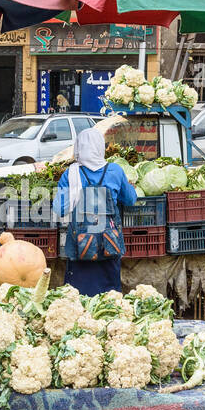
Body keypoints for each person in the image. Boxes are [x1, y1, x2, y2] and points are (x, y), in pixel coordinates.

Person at [54, 127, 136, 296]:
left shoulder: (71, 174)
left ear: (78, 148)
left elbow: (59, 209)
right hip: (109, 245)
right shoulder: (115, 171)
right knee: (109, 298)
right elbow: (130, 199)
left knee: (78, 298)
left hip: (81, 246)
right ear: (100, 147)